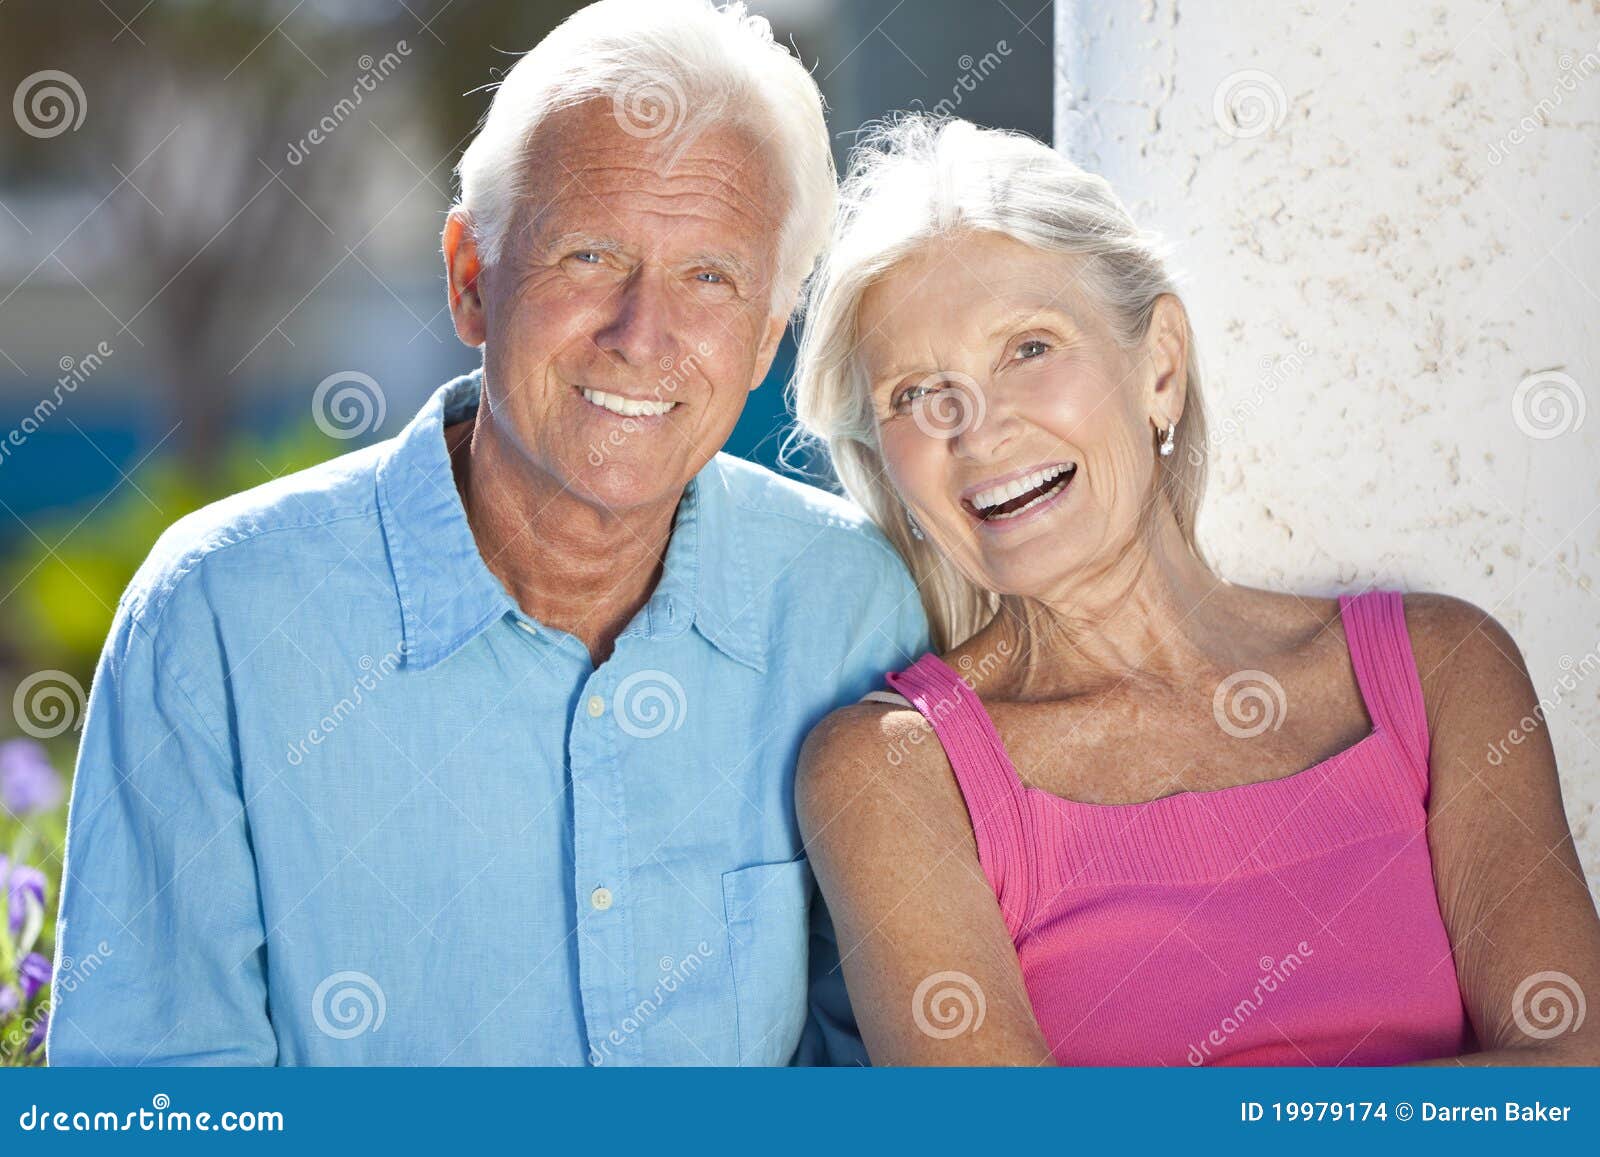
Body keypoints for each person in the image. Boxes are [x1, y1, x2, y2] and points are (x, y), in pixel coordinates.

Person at [49, 0, 927, 1066]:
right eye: (588, 254)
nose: (641, 334)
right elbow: (161, 1103)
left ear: (765, 336)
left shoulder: (850, 607)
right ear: (471, 278)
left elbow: (872, 1074)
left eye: (710, 276)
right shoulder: (219, 617)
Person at [793, 115, 1600, 1066]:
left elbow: (1570, 1093)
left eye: (1029, 348)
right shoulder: (892, 772)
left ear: (1160, 368)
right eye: (914, 394)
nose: (977, 428)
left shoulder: (1444, 669)